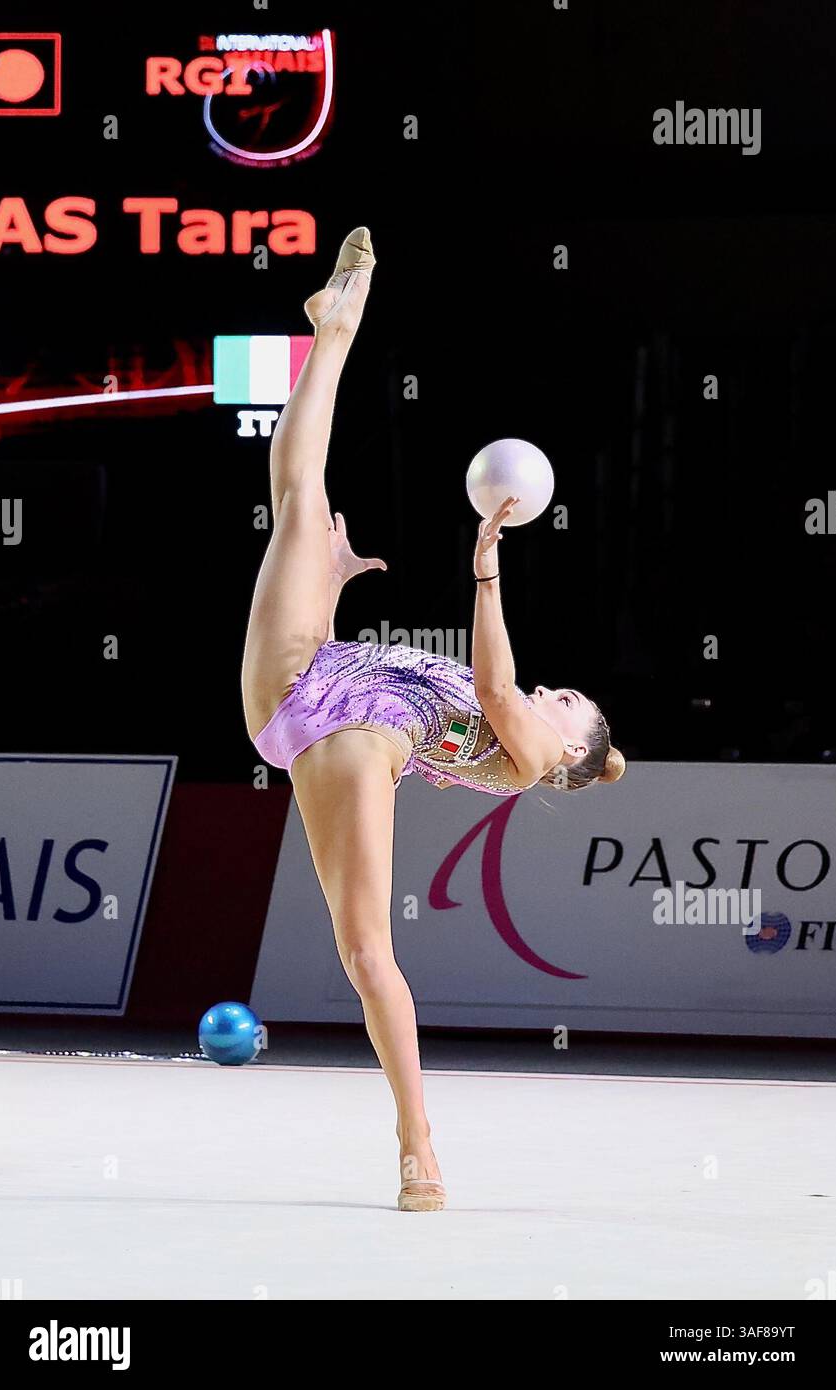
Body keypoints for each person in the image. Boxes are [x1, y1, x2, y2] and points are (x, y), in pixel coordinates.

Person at [241, 228, 625, 1212]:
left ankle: (418, 1146)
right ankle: (331, 333)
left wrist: (486, 563)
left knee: (368, 949)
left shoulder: (534, 755)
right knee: (297, 506)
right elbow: (449, 681)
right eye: (569, 694)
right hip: (304, 679)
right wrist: (326, 590)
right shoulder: (523, 727)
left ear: (571, 752)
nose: (560, 695)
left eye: (574, 706)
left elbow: (498, 695)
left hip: (359, 739)